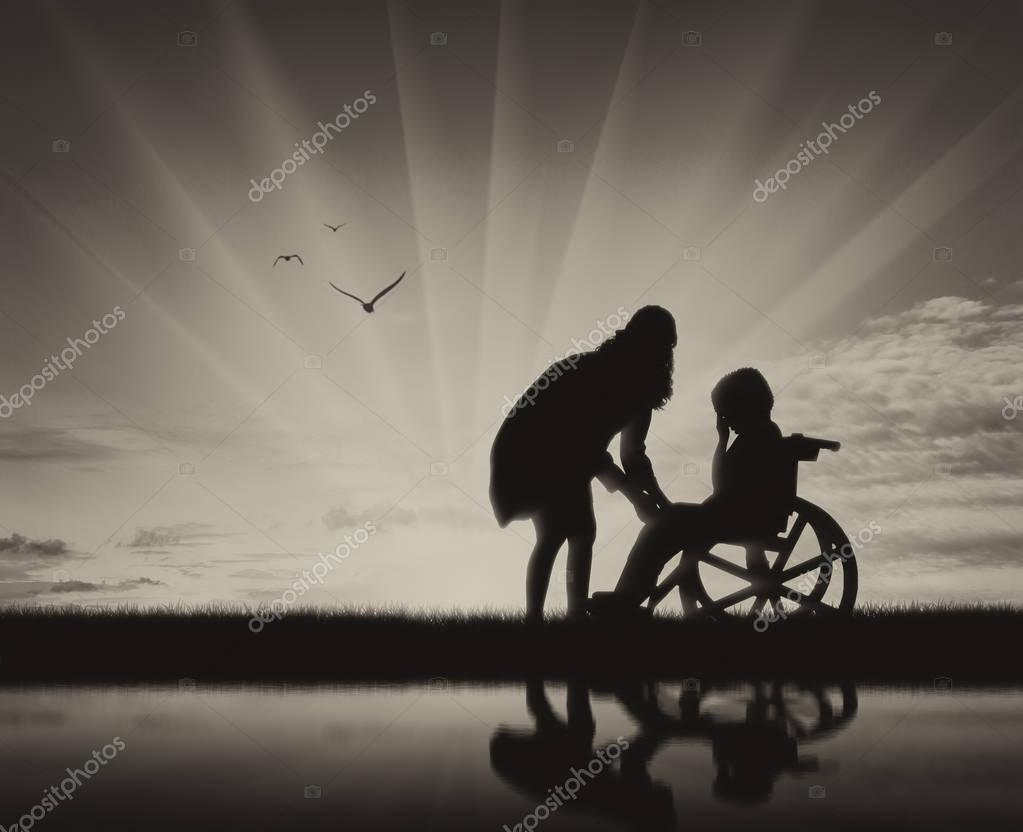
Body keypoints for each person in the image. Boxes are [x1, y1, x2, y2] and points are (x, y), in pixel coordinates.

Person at [489, 306, 676, 620]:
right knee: (558, 532)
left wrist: (658, 501)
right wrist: (638, 500)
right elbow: (585, 448)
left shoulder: (639, 392)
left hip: (570, 458)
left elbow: (632, 456)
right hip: (530, 451)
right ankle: (537, 619)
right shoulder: (595, 373)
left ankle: (571, 617)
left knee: (580, 532)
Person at [609, 368, 789, 608]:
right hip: (744, 515)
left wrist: (722, 440)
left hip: (738, 518)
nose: (723, 419)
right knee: (666, 524)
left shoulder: (757, 437)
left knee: (658, 530)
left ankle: (627, 598)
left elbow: (721, 488)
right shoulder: (764, 433)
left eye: (724, 411)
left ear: (743, 404)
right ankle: (632, 596)